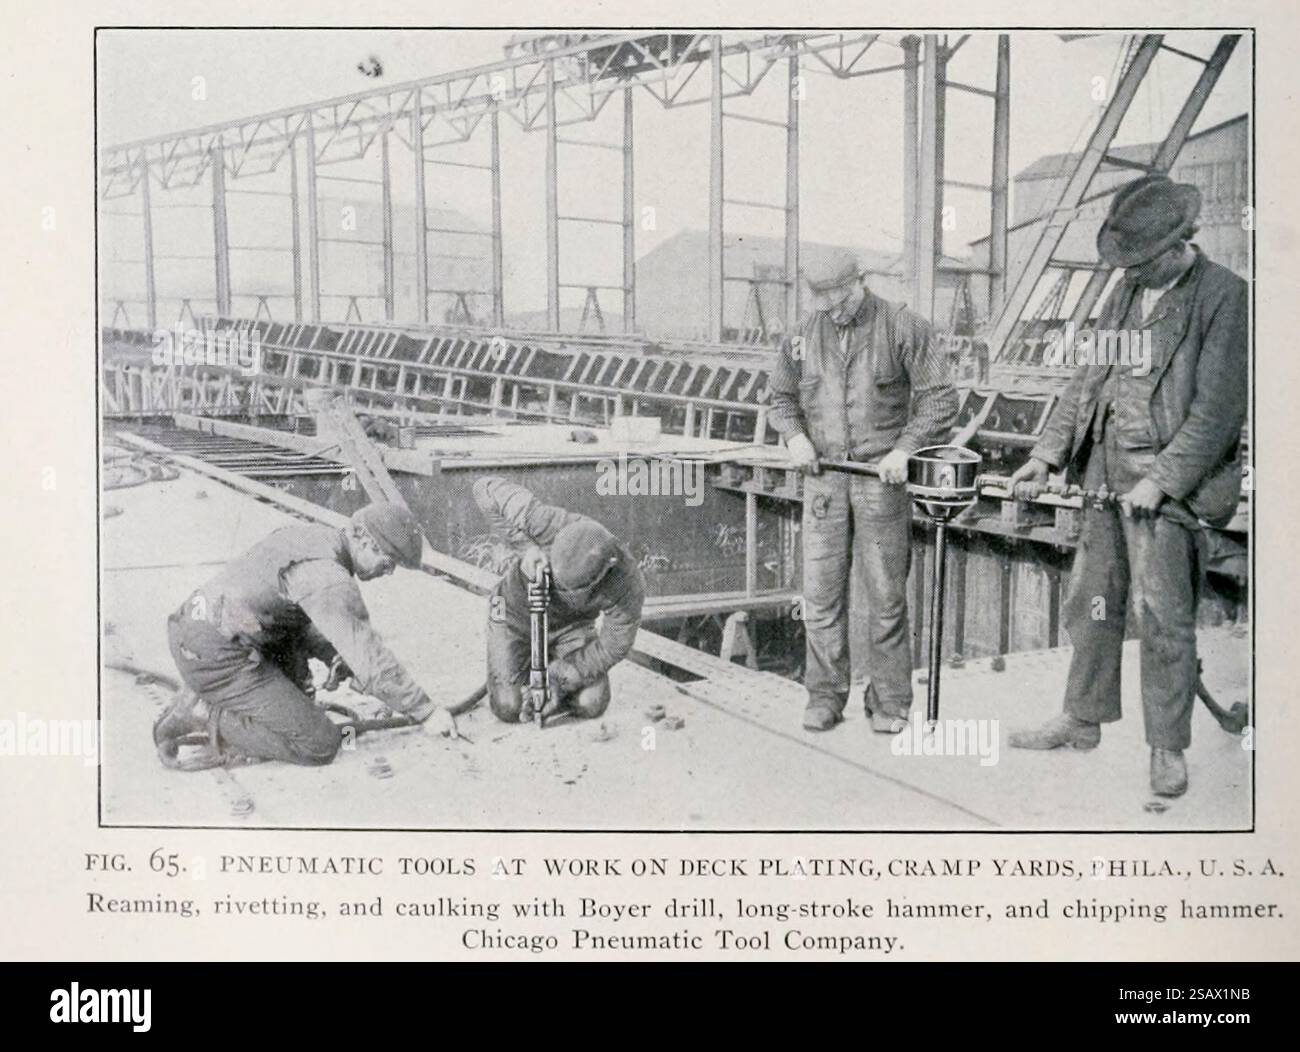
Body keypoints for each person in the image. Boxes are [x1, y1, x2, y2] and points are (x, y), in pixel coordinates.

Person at [1006, 175, 1248, 798]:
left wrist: (1162, 482)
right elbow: (1088, 379)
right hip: (1104, 476)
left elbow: (1218, 412)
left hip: (1164, 491)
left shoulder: (1224, 297)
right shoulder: (1126, 293)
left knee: (1163, 617)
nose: (1130, 272)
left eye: (1139, 262)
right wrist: (1047, 453)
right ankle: (1082, 719)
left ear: (1176, 246)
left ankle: (1167, 747)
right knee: (1093, 602)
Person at [768, 250, 958, 733]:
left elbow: (940, 398)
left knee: (887, 595)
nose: (831, 308)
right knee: (821, 595)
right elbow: (781, 397)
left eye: (838, 296)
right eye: (821, 299)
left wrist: (906, 450)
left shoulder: (903, 327)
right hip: (823, 482)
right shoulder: (800, 336)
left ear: (860, 282)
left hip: (881, 481)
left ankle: (890, 702)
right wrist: (795, 437)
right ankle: (825, 696)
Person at [154, 502, 457, 768]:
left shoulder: (310, 537)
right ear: (364, 540)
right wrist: (426, 712)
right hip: (218, 656)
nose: (388, 572)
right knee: (319, 743)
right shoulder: (330, 580)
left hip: (200, 631)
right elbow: (371, 660)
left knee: (300, 700)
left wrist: (332, 654)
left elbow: (284, 611)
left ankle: (218, 695)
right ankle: (203, 712)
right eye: (388, 562)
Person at [472, 476, 644, 724]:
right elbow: (484, 487)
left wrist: (564, 676)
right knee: (508, 707)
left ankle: (547, 666)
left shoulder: (626, 582)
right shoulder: (546, 521)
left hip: (570, 626)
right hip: (513, 615)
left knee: (591, 703)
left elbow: (614, 645)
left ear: (604, 572)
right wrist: (525, 547)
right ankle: (522, 661)